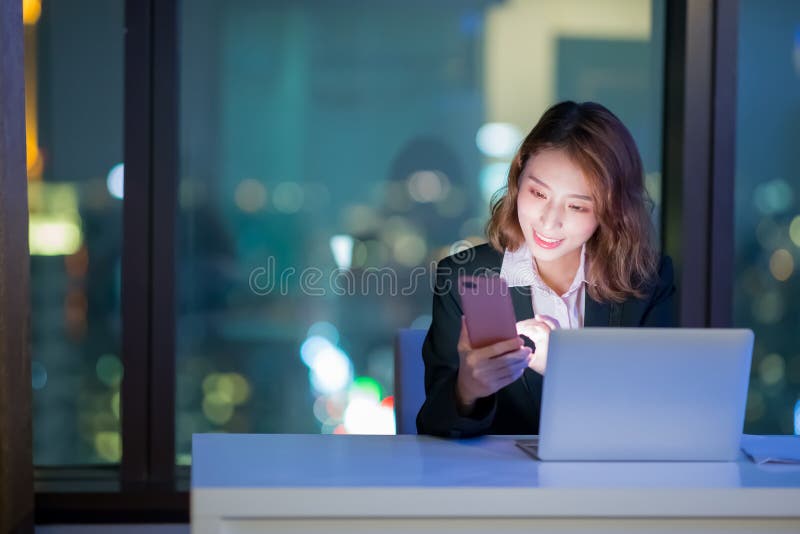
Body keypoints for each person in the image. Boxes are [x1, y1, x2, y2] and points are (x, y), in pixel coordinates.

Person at [416, 101, 676, 437]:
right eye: (538, 193)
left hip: (612, 484)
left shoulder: (646, 281)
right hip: (503, 485)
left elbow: (658, 415)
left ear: (612, 210)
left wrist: (567, 367)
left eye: (577, 206)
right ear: (518, 176)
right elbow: (431, 426)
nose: (550, 221)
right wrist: (467, 389)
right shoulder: (467, 276)